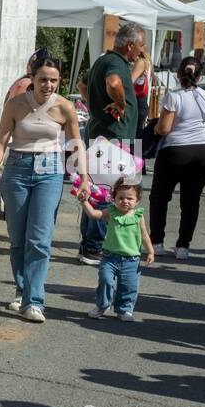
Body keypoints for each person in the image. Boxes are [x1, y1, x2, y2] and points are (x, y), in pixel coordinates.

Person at [0, 56, 89, 323]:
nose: (48, 85)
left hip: (49, 171)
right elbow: (0, 143)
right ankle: (22, 289)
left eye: (53, 80)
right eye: (43, 79)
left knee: (39, 239)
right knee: (18, 238)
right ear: (32, 79)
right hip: (17, 169)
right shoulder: (16, 104)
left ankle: (34, 301)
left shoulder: (65, 108)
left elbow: (76, 144)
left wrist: (84, 177)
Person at [79, 22, 146, 266]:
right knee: (107, 191)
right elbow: (115, 83)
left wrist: (95, 107)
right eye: (140, 47)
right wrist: (119, 104)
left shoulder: (103, 60)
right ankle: (93, 247)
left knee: (97, 189)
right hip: (113, 136)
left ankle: (89, 245)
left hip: (104, 132)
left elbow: (82, 86)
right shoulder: (116, 63)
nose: (141, 51)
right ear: (130, 45)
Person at [149, 55, 205, 259]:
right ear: (200, 76)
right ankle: (183, 247)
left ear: (178, 75)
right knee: (191, 200)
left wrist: (154, 127)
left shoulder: (174, 96)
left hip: (175, 151)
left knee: (160, 197)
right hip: (202, 151)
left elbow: (164, 129)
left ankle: (157, 242)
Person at [79, 179, 154, 321]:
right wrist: (84, 202)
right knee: (105, 281)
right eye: (121, 198)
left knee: (128, 286)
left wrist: (150, 251)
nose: (125, 201)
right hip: (109, 258)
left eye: (130, 198)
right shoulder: (111, 212)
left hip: (131, 260)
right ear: (114, 199)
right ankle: (102, 305)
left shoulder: (138, 216)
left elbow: (144, 235)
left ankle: (124, 309)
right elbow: (94, 215)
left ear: (137, 200)